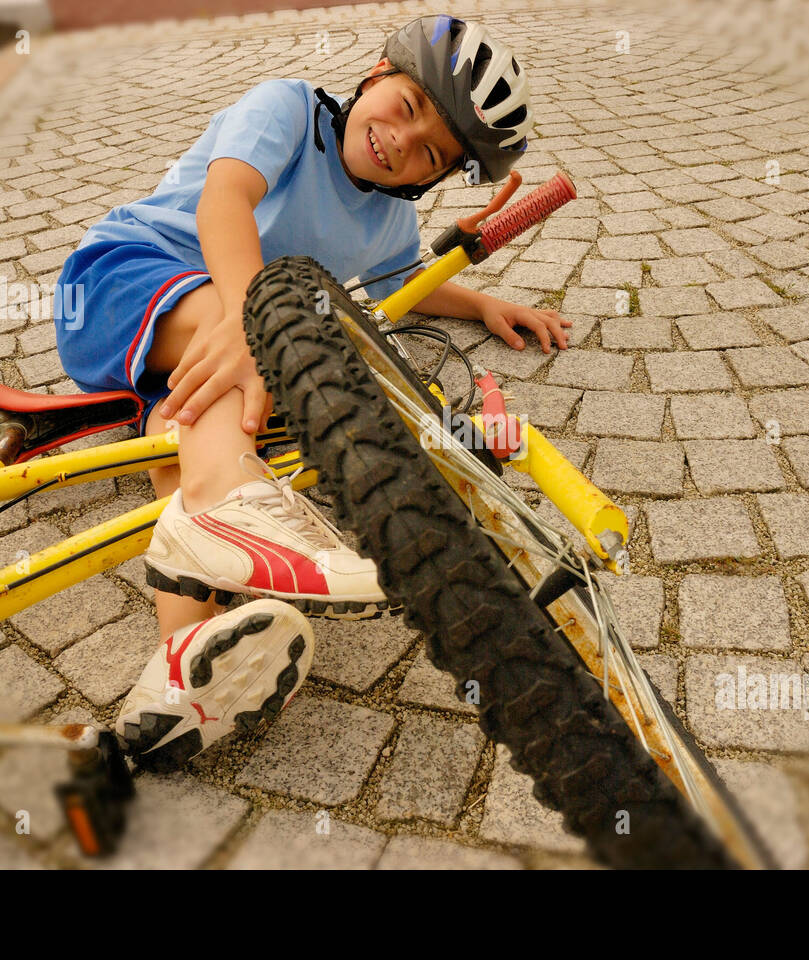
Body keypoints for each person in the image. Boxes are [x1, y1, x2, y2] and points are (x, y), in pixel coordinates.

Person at [53, 14, 570, 770]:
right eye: (407, 105)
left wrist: (485, 303)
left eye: (430, 151)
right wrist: (245, 313)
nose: (403, 138)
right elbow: (223, 201)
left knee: (190, 426)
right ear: (373, 75)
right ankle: (241, 514)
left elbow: (400, 288)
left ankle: (184, 661)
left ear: (430, 178)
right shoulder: (289, 108)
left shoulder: (389, 217)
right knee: (263, 354)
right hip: (123, 279)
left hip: (213, 337)